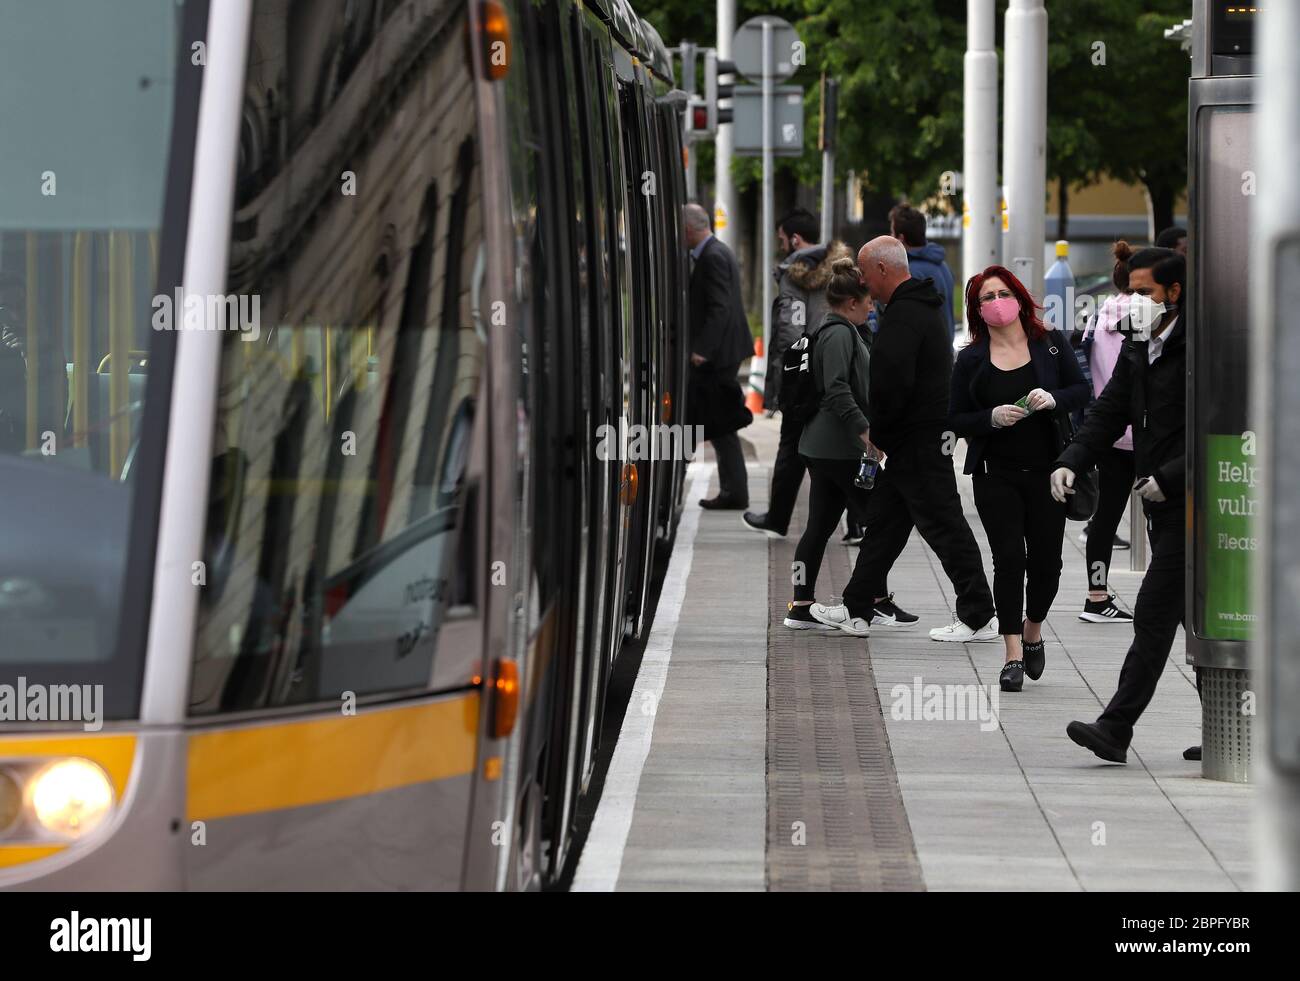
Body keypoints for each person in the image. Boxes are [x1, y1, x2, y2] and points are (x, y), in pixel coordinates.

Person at [810, 237, 996, 640]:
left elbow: (893, 383)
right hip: (918, 437)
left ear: (881, 269)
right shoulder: (921, 308)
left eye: (863, 271)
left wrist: (880, 434)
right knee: (885, 525)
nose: (860, 280)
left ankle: (980, 614)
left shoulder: (904, 316)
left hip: (916, 439)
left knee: (944, 526)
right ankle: (857, 609)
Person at [1051, 246, 1189, 764]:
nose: (1134, 302)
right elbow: (1110, 410)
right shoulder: (1141, 342)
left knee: (1155, 610)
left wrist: (1173, 479)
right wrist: (1072, 458)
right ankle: (1233, 721)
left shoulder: (1198, 347)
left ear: (1174, 293)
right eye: (1130, 291)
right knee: (1188, 619)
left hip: (1197, 503)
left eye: (1146, 293)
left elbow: (1223, 425)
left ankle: (1114, 728)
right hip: (1162, 501)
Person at [949, 266, 1090, 690]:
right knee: (1008, 560)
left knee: (1048, 564)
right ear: (977, 310)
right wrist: (989, 418)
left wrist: (1053, 399)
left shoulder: (1049, 343)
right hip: (996, 475)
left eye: (1002, 293)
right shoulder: (971, 358)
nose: (996, 303)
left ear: (1019, 296)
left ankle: (1033, 629)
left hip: (1050, 474)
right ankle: (1012, 653)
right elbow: (955, 417)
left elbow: (1082, 391)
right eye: (985, 298)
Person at [784, 257, 917, 634]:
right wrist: (867, 435)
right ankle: (871, 601)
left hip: (823, 446)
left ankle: (802, 604)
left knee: (820, 526)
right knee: (884, 522)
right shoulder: (840, 334)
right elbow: (837, 390)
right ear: (852, 303)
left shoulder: (837, 330)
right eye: (868, 302)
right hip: (841, 449)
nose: (873, 306)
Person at [743, 209, 857, 539]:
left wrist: (788, 381)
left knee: (791, 448)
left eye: (781, 239)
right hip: (841, 368)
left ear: (795, 239)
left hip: (805, 379)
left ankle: (778, 517)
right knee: (843, 446)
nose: (781, 246)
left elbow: (790, 332)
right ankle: (858, 522)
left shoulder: (794, 275)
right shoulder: (844, 269)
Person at [1075, 242, 1139, 623]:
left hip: (1107, 430)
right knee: (1165, 519)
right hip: (1144, 433)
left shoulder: (1099, 314)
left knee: (1105, 519)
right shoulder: (1147, 317)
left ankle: (1096, 596)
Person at [683, 203, 753, 509]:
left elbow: (720, 307)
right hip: (725, 351)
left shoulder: (711, 257)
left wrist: (702, 350)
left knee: (722, 425)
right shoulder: (717, 251)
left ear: (688, 230)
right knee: (721, 424)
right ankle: (732, 490)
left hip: (718, 354)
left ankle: (734, 492)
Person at [890, 204, 957, 343]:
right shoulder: (942, 265)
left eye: (891, 233)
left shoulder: (911, 273)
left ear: (900, 238)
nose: (890, 237)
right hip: (944, 351)